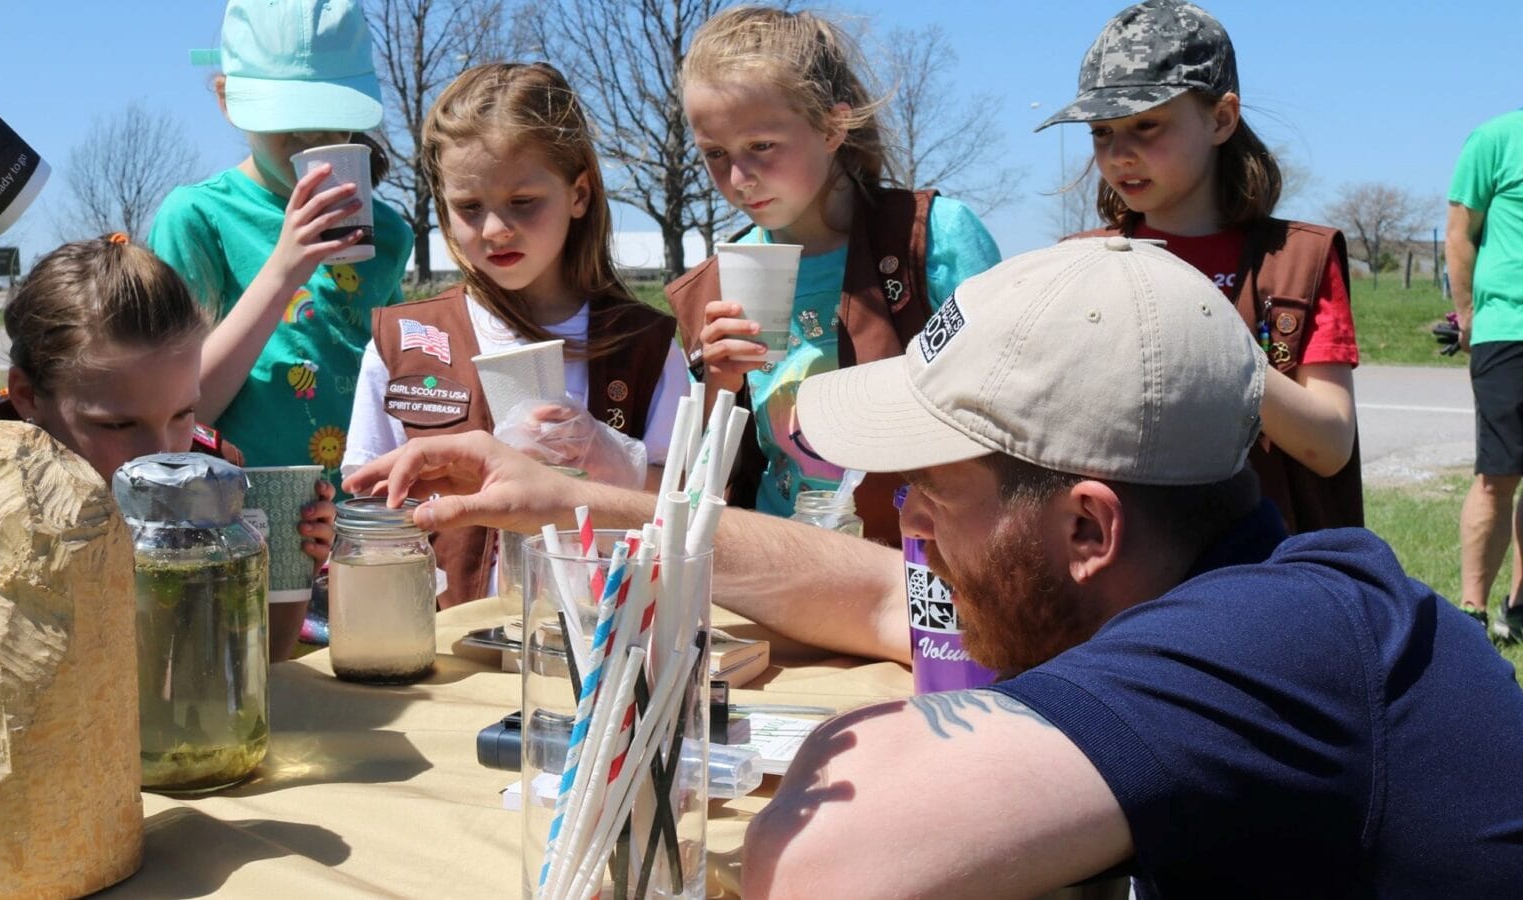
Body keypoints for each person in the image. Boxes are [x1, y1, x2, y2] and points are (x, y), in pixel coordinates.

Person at [348, 238, 1523, 897]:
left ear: (1085, 530)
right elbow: (868, 592)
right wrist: (582, 499)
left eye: (931, 488)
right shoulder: (1214, 587)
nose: (902, 518)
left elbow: (815, 866)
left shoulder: (1276, 646)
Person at [342, 62, 686, 607]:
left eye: (524, 203)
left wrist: (614, 461)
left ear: (579, 194)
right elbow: (366, 504)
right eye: (469, 208)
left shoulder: (644, 344)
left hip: (603, 643)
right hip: (445, 653)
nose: (496, 230)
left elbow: (687, 508)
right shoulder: (405, 338)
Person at [668, 6, 1002, 545]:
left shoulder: (930, 237)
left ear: (832, 125)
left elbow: (1010, 413)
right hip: (782, 566)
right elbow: (690, 475)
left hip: (924, 566)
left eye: (761, 146)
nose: (737, 177)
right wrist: (719, 384)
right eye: (714, 153)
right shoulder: (717, 281)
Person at [1038, 0, 1361, 535]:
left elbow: (1329, 447)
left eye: (1147, 124)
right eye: (1100, 131)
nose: (1119, 153)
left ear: (1221, 119)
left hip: (1264, 576)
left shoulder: (1297, 262)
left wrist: (1208, 345)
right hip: (1126, 575)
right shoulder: (1078, 262)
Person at [0, 235, 322, 658]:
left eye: (183, 414)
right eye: (117, 424)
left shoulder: (206, 472)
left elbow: (260, 661)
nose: (160, 454)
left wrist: (290, 569)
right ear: (26, 394)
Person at [148, 0, 413, 492]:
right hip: (238, 520)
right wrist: (283, 270)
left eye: (335, 120)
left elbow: (397, 387)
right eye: (289, 122)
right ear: (227, 101)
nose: (312, 138)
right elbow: (171, 413)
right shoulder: (198, 219)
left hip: (359, 517)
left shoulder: (390, 234)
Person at [1448, 106, 1523, 640]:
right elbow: (1459, 232)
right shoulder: (1496, 138)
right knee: (1498, 475)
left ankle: (1518, 610)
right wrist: (1467, 315)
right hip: (1508, 327)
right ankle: (1471, 614)